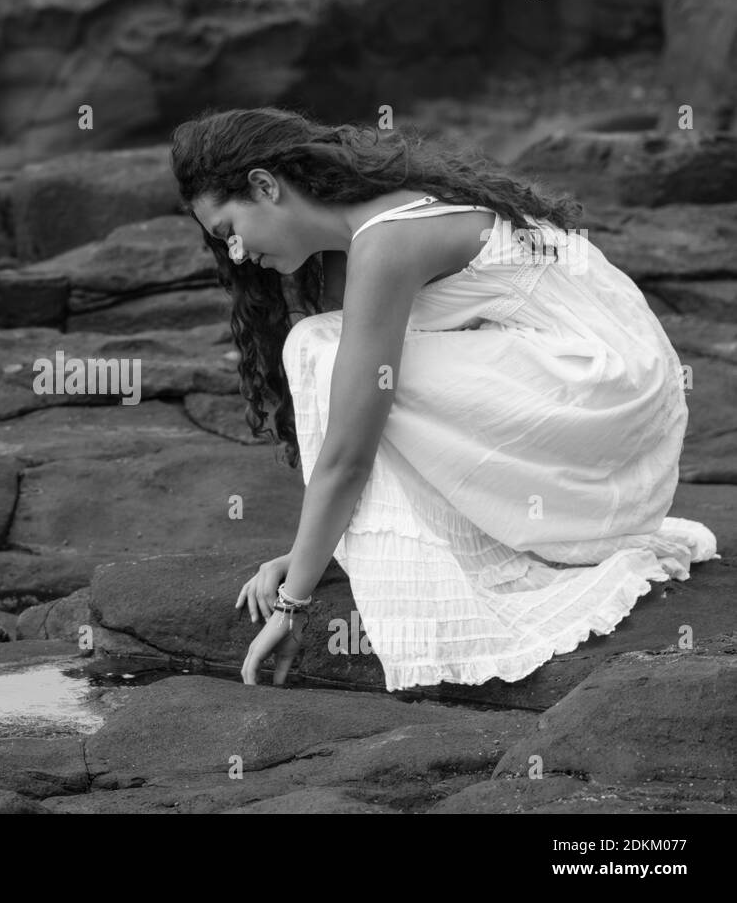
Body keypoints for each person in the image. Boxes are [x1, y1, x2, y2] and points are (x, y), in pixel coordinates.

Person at [170, 106, 720, 692]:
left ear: (264, 185)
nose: (238, 255)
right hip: (600, 405)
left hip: (603, 393)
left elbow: (350, 450)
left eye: (230, 233)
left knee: (320, 350)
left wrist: (293, 603)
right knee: (334, 356)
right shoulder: (361, 233)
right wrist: (317, 553)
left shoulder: (386, 240)